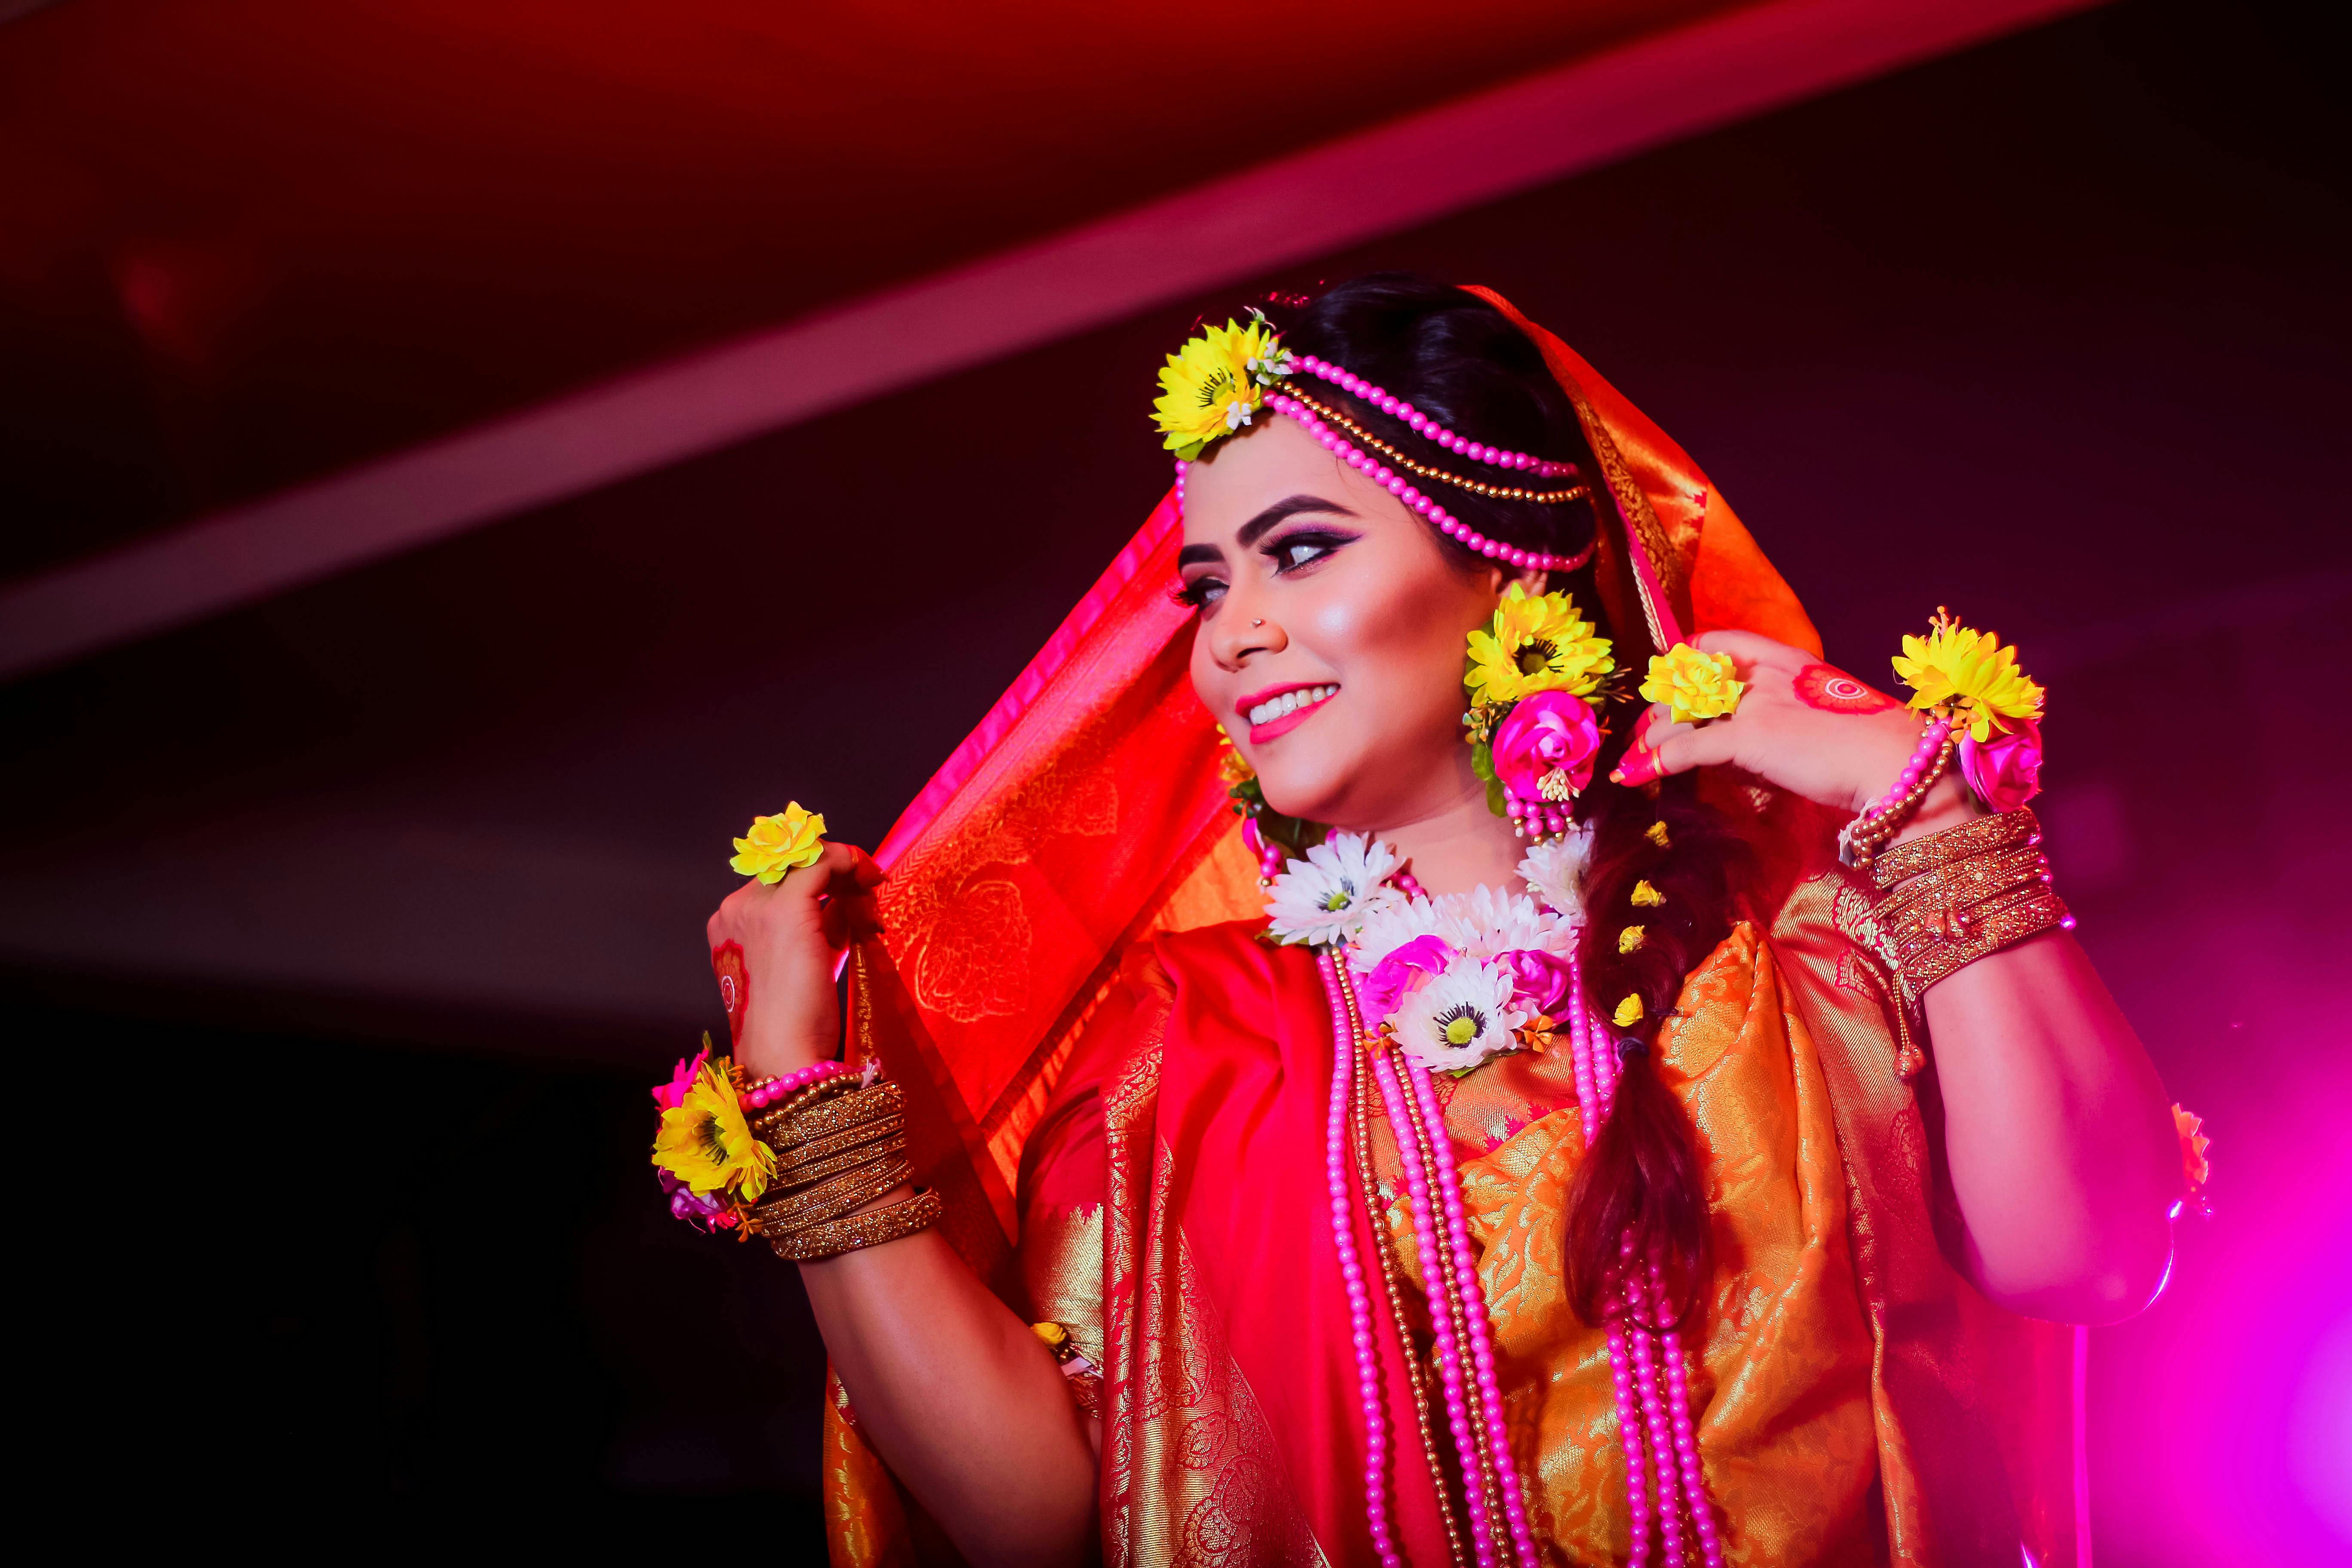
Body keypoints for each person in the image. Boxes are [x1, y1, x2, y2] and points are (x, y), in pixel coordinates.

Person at [683, 275, 2193, 1567]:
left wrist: (1932, 815)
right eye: (1208, 583)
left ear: (1508, 557)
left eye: (1299, 550)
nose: (1230, 633)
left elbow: (2090, 1254)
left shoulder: (1803, 929)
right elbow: (1038, 1522)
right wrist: (805, 1109)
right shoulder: (1194, 1042)